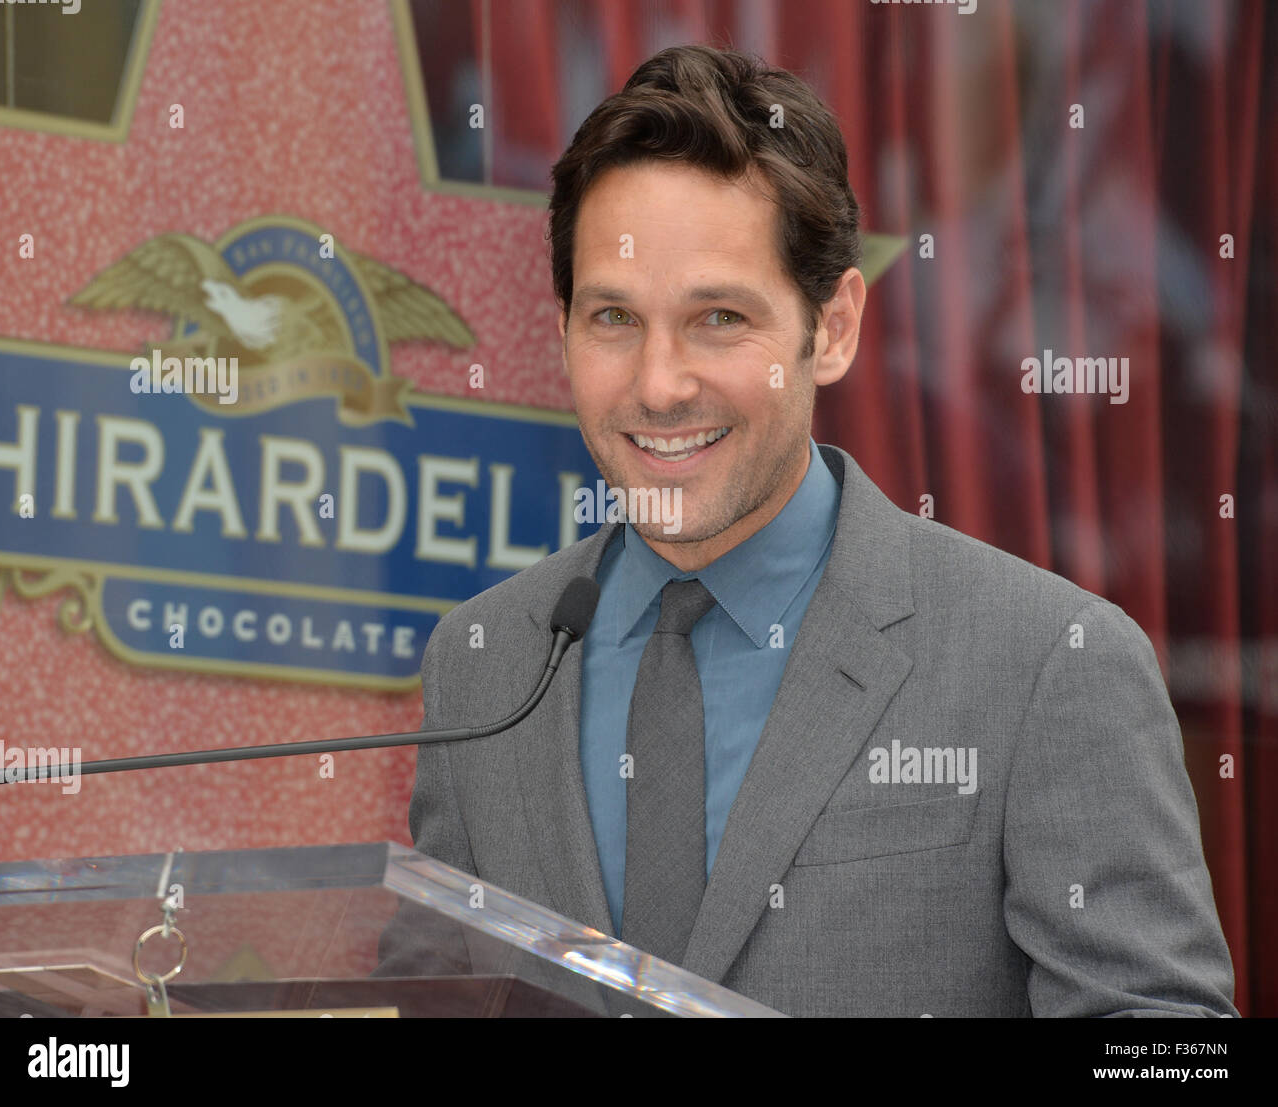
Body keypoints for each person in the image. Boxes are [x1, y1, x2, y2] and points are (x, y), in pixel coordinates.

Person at [391, 44, 1236, 1017]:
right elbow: (427, 998)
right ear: (561, 330)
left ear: (831, 327)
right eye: (614, 318)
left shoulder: (1048, 661)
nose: (660, 385)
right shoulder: (484, 660)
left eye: (718, 319)